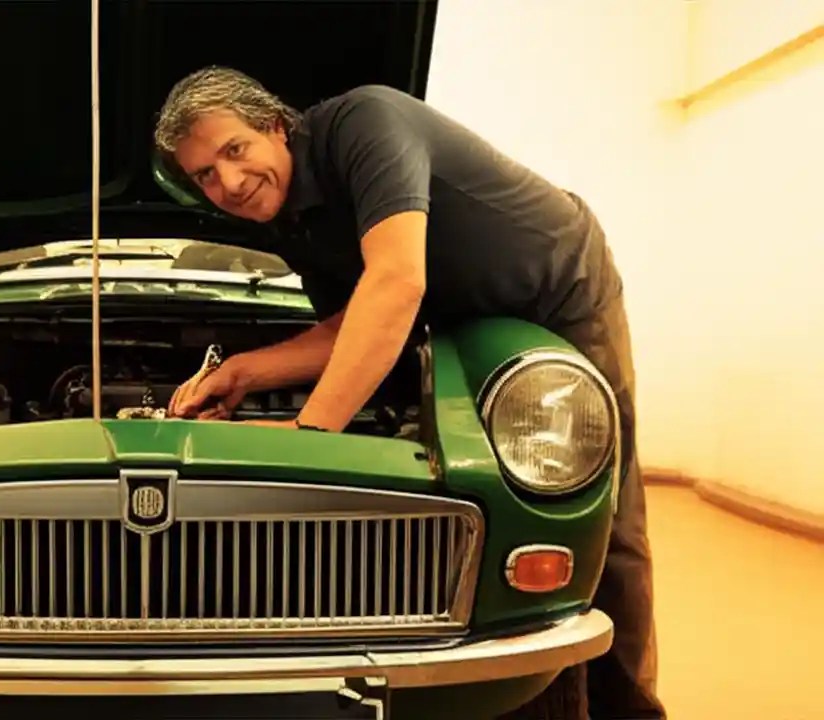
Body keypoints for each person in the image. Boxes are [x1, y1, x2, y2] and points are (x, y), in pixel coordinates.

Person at [154, 66, 665, 720]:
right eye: (204, 174)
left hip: (557, 287)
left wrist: (312, 434)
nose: (227, 182)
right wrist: (241, 373)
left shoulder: (367, 123)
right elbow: (347, 326)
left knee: (592, 505)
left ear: (276, 126)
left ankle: (632, 711)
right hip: (456, 310)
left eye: (234, 150)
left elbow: (396, 280)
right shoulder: (290, 219)